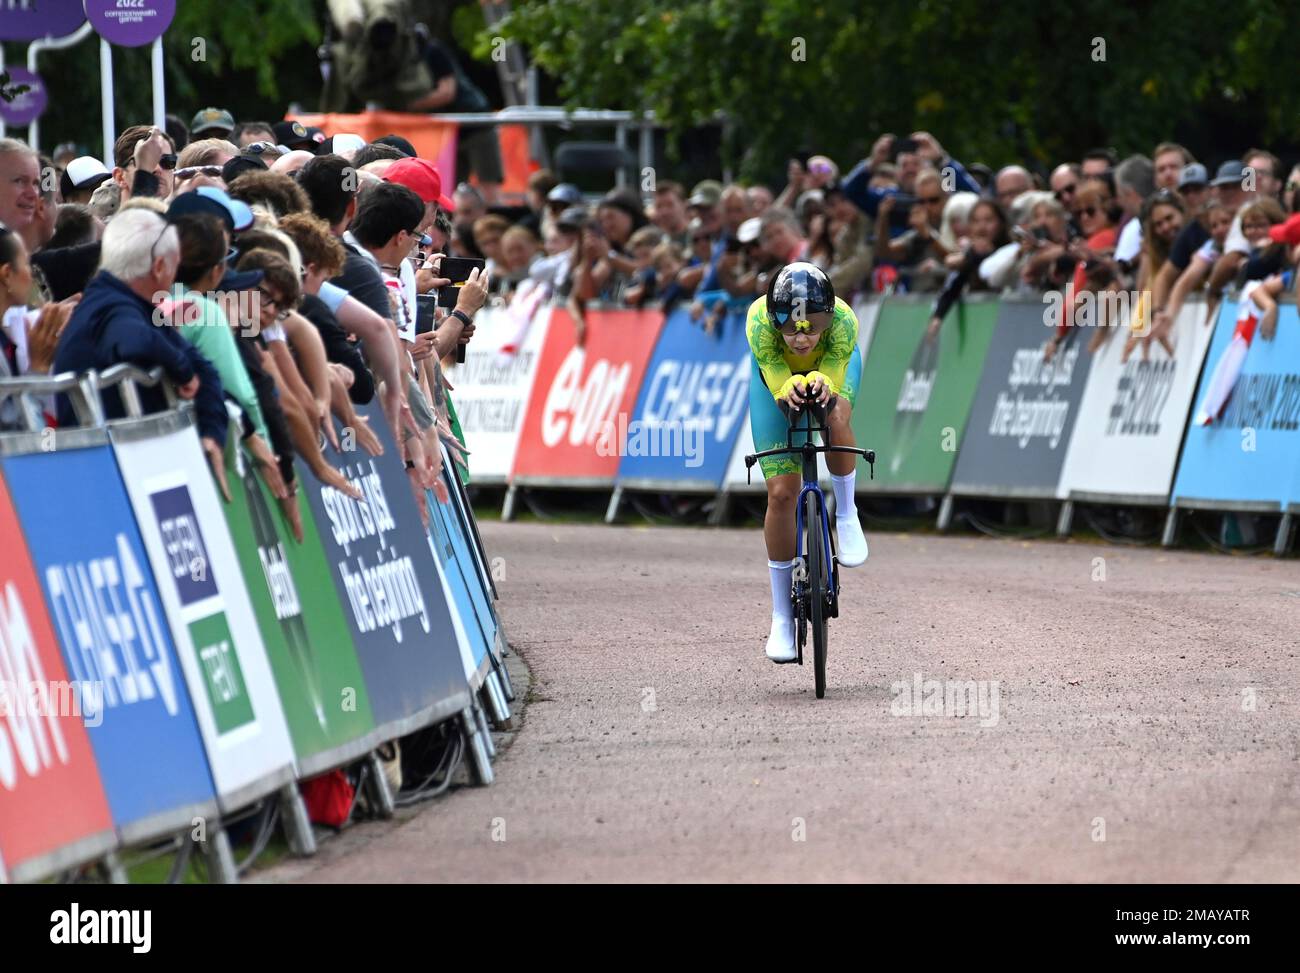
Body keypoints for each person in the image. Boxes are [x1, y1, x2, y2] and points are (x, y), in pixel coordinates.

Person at [746, 262, 867, 663]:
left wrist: (822, 383)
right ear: (774, 318)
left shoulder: (845, 322)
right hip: (773, 382)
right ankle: (782, 616)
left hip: (830, 373)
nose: (802, 339)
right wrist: (787, 388)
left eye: (813, 326)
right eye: (792, 327)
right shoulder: (759, 321)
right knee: (782, 494)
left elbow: (832, 372)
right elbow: (777, 375)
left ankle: (847, 513)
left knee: (834, 416)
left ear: (829, 317)